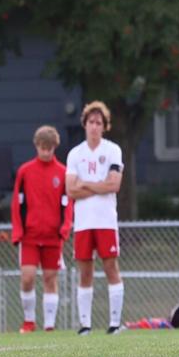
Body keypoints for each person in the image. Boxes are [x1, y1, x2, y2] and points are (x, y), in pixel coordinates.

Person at [66, 100, 126, 334]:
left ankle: (114, 323)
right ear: (85, 124)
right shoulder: (75, 154)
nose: (94, 126)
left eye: (98, 122)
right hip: (83, 223)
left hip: (105, 221)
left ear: (104, 126)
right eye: (90, 122)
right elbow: (71, 189)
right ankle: (85, 324)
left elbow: (114, 184)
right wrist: (98, 185)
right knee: (85, 271)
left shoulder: (112, 150)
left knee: (111, 266)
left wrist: (86, 184)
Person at [10, 124, 73, 333]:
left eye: (49, 148)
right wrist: (18, 231)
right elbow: (17, 204)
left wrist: (64, 229)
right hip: (30, 235)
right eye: (42, 148)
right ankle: (29, 321)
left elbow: (68, 204)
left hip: (52, 237)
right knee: (27, 277)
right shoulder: (25, 171)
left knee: (50, 278)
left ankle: (49, 324)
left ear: (55, 147)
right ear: (36, 146)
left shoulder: (63, 173)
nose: (45, 152)